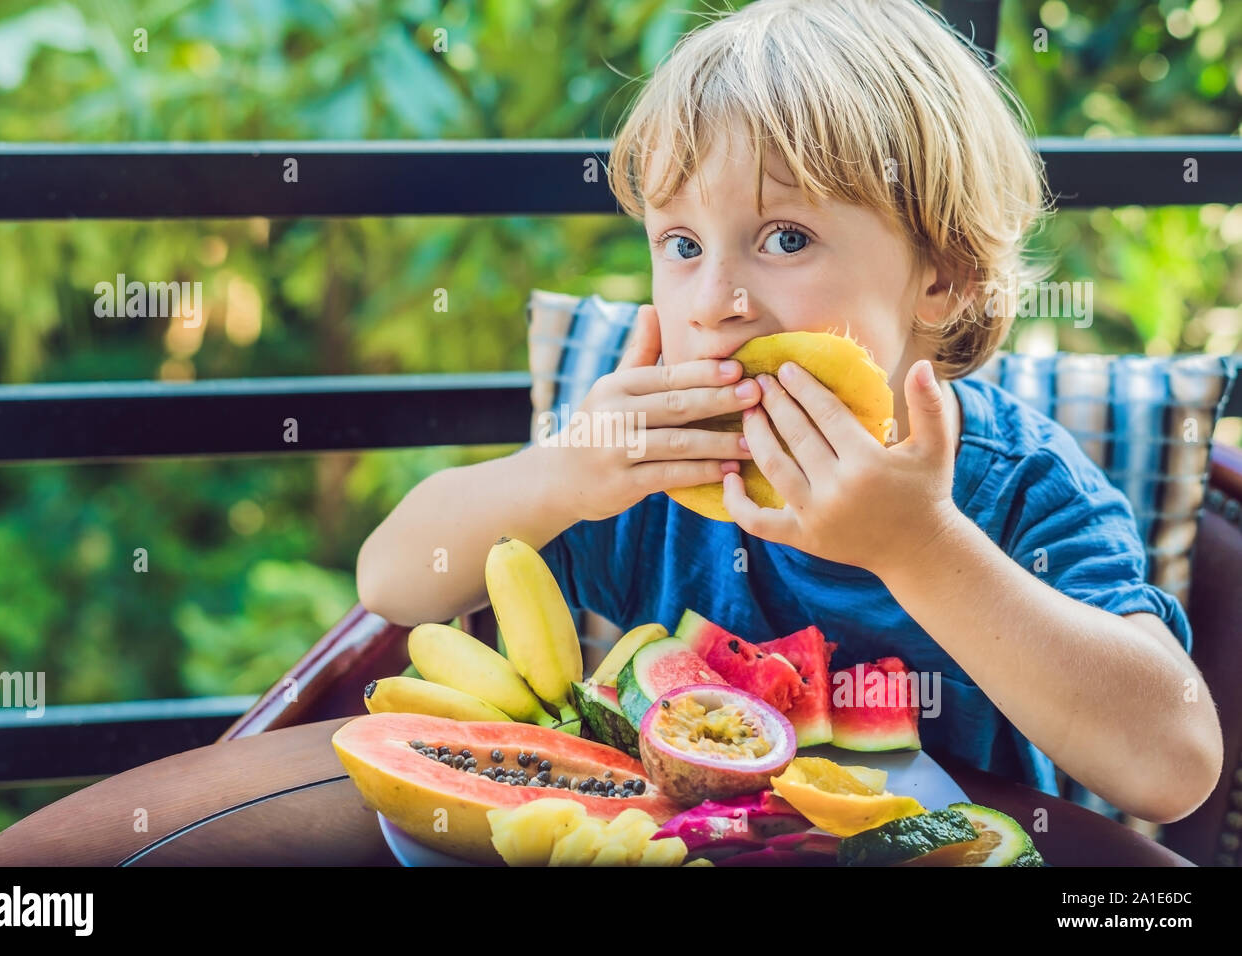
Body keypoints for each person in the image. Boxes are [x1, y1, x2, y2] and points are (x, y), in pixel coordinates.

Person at [358, 0, 1222, 824]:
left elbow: (1173, 764)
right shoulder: (649, 474)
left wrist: (919, 547)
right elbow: (392, 580)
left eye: (785, 239)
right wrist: (561, 474)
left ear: (941, 277)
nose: (715, 301)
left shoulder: (1020, 486)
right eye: (683, 245)